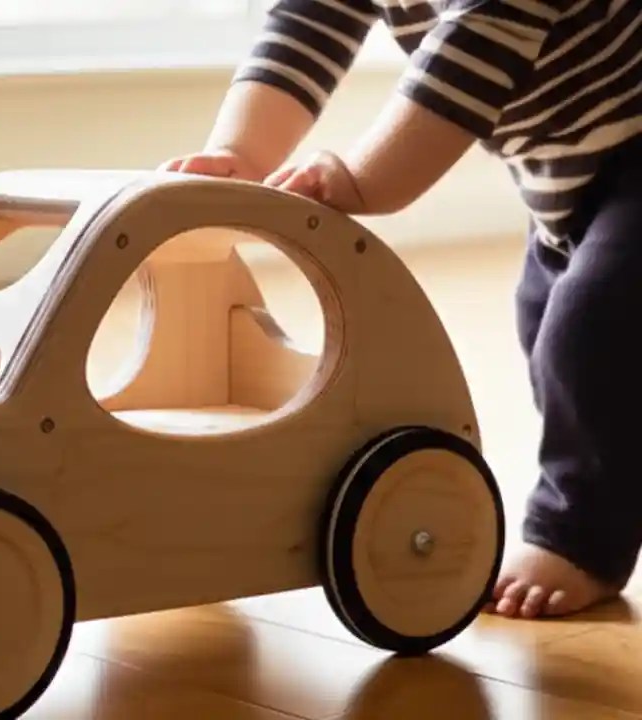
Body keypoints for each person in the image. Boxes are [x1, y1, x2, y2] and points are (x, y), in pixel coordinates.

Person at [161, 0, 642, 619]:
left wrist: (362, 179)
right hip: (568, 173)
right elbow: (307, 24)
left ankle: (577, 537)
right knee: (548, 319)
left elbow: (469, 56)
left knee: (589, 334)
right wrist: (239, 153)